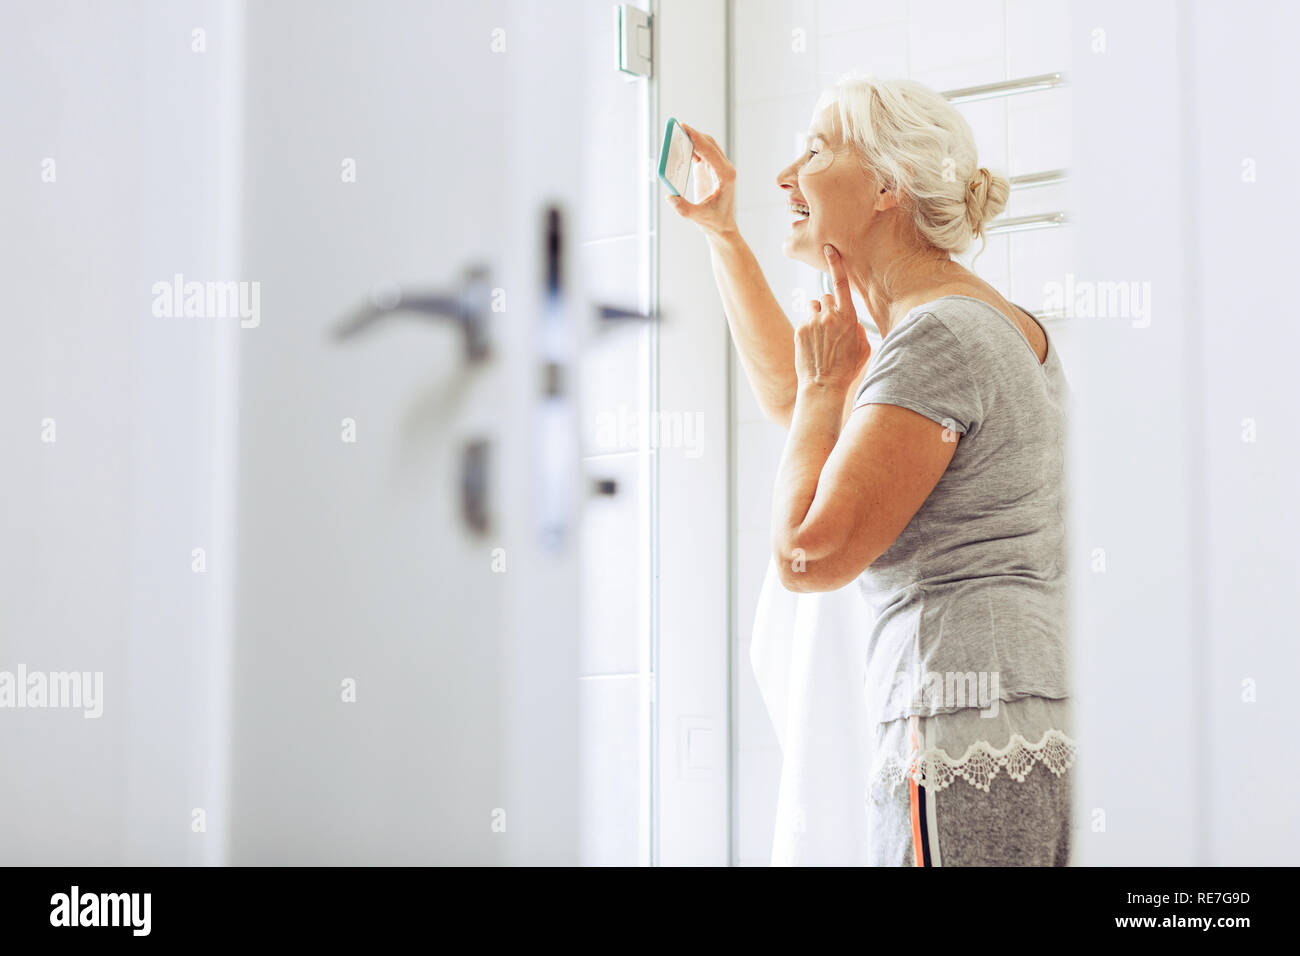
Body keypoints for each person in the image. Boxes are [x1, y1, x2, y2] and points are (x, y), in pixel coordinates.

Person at [666, 73, 1077, 866]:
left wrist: (827, 387)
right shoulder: (986, 321)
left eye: (816, 151)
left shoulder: (936, 339)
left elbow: (806, 554)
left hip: (958, 723)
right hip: (1018, 719)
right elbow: (796, 402)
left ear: (889, 185)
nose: (786, 176)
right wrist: (723, 233)